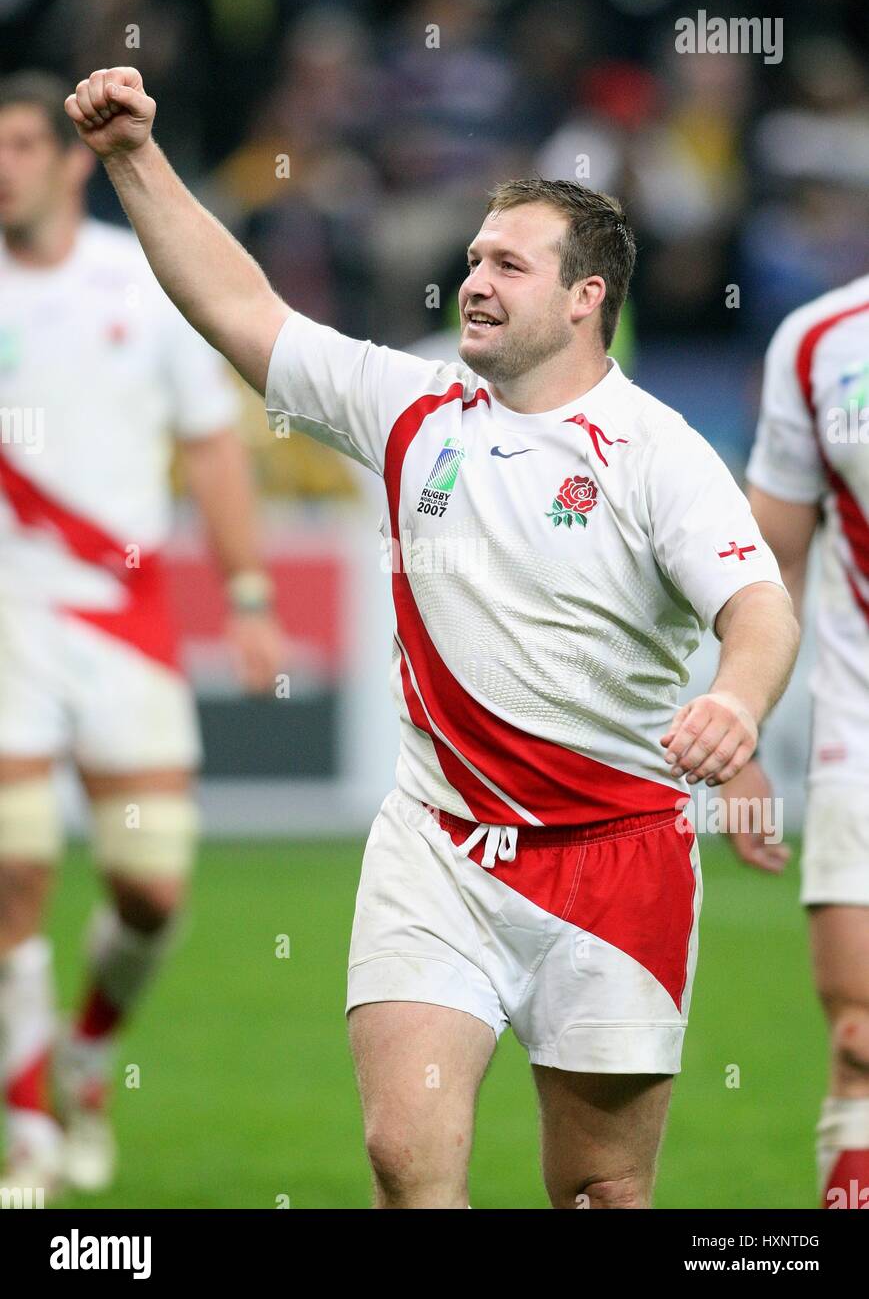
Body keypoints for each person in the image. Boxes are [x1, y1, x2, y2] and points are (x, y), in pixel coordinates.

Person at [63, 66, 799, 1210]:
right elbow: (242, 310)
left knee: (601, 1192)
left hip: (615, 856)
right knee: (406, 1163)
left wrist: (738, 703)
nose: (474, 279)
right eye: (470, 259)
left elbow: (758, 610)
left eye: (508, 263)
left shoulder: (656, 454)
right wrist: (132, 158)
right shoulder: (409, 409)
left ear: (583, 298)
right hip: (438, 843)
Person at [0, 71, 284, 1196]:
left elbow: (211, 445)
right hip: (7, 624)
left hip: (123, 623)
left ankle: (85, 1054)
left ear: (72, 161)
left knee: (150, 888)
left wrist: (250, 595)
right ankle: (25, 1131)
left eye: (23, 144)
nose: (5, 165)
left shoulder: (140, 281)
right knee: (15, 873)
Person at [723, 274, 869, 1208]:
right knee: (859, 1033)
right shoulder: (821, 343)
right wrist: (741, 731)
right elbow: (767, 554)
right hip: (859, 734)